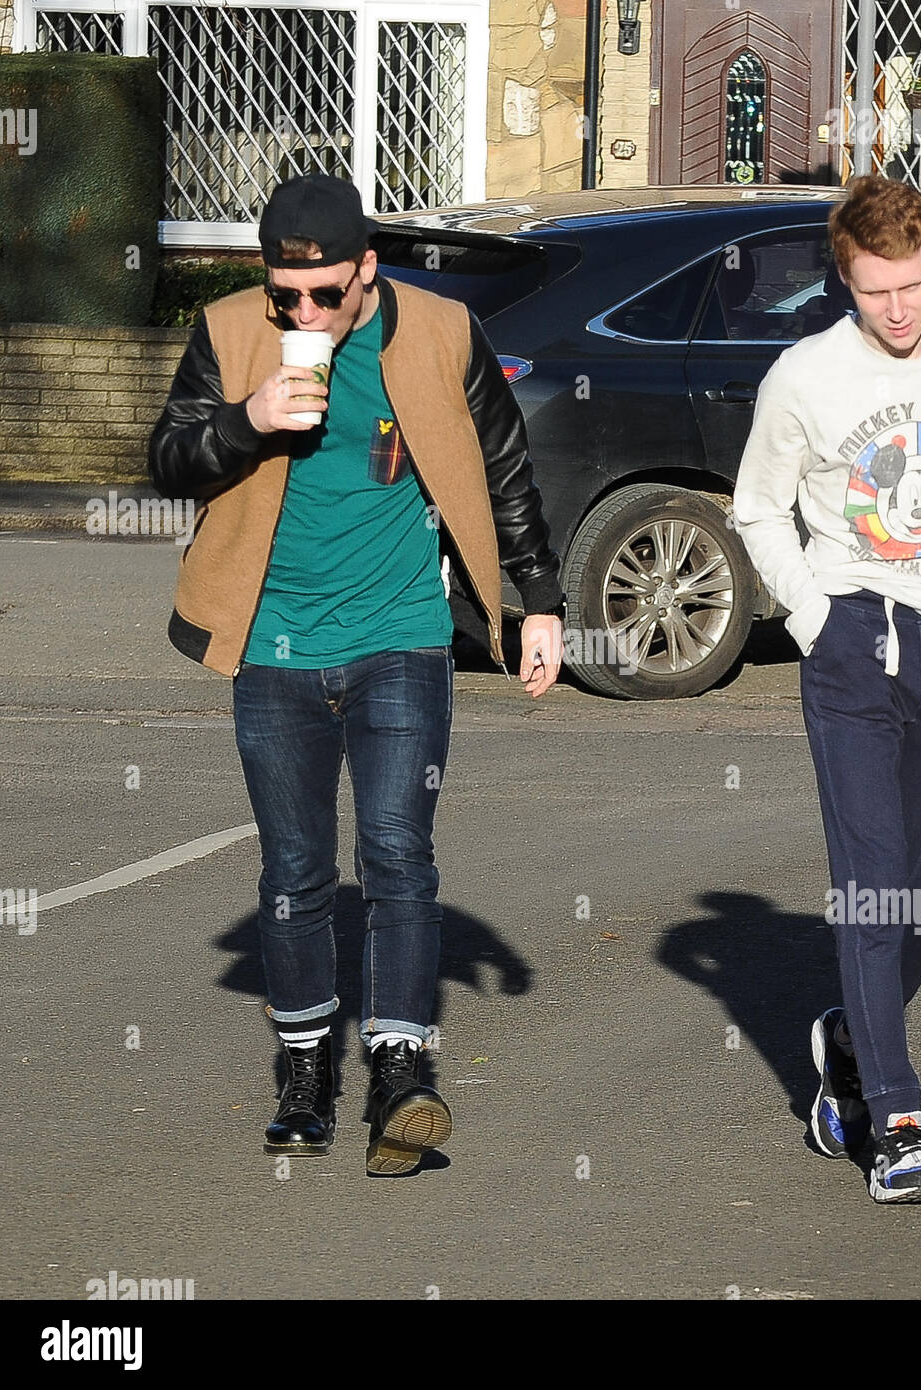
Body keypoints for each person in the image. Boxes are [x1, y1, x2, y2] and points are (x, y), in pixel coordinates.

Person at [149, 174, 564, 1176]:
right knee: (293, 871)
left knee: (394, 851)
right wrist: (246, 416)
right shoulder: (229, 332)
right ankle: (303, 1067)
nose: (303, 314)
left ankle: (399, 1067)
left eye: (324, 294)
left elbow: (504, 467)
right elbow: (168, 462)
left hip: (401, 636)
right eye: (285, 294)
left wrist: (536, 600)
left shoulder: (437, 331)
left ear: (366, 270)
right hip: (274, 643)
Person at [732, 174, 921, 1203]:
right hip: (855, 646)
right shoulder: (803, 375)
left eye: (908, 285)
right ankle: (898, 1123)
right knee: (872, 889)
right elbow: (756, 512)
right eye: (873, 292)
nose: (896, 309)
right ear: (845, 279)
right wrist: (819, 621)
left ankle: (845, 1036)